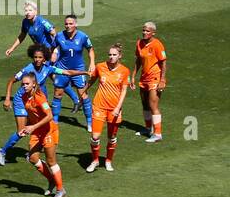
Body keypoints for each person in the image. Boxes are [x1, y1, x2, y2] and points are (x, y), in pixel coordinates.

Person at [0, 44, 56, 166]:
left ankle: (32, 154)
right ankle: (2, 151)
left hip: (33, 101)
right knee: (22, 131)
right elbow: (11, 81)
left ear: (44, 58)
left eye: (40, 57)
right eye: (35, 57)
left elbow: (60, 73)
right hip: (21, 101)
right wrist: (7, 99)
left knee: (37, 126)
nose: (37, 60)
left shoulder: (46, 68)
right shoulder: (28, 69)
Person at [18, 73, 65, 197]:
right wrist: (25, 128)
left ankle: (60, 190)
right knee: (33, 158)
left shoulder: (40, 98)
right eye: (23, 84)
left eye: (27, 84)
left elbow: (49, 116)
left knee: (51, 161)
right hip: (36, 132)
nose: (24, 86)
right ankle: (52, 181)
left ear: (34, 84)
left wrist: (33, 127)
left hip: (48, 131)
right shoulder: (24, 97)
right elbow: (32, 115)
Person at [86, 43, 131, 172]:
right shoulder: (100, 67)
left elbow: (123, 91)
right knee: (95, 137)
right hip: (99, 106)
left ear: (120, 56)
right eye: (109, 54)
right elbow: (92, 79)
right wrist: (83, 92)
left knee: (111, 137)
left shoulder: (124, 71)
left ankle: (108, 161)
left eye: (114, 55)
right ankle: (95, 161)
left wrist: (118, 107)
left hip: (114, 108)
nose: (111, 57)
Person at [50, 14, 95, 131]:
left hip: (78, 70)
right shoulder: (59, 36)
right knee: (58, 94)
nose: (68, 26)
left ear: (76, 24)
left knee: (83, 95)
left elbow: (90, 49)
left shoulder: (83, 37)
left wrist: (92, 63)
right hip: (62, 69)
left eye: (70, 23)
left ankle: (89, 122)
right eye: (66, 24)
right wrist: (54, 53)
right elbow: (53, 47)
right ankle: (55, 121)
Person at [133, 20, 168, 143]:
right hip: (144, 78)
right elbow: (138, 60)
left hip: (155, 78)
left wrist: (162, 80)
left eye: (147, 31)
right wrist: (133, 76)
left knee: (153, 105)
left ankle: (157, 134)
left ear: (153, 33)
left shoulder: (157, 45)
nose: (144, 32)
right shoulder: (139, 43)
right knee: (145, 104)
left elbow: (163, 62)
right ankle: (148, 128)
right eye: (143, 30)